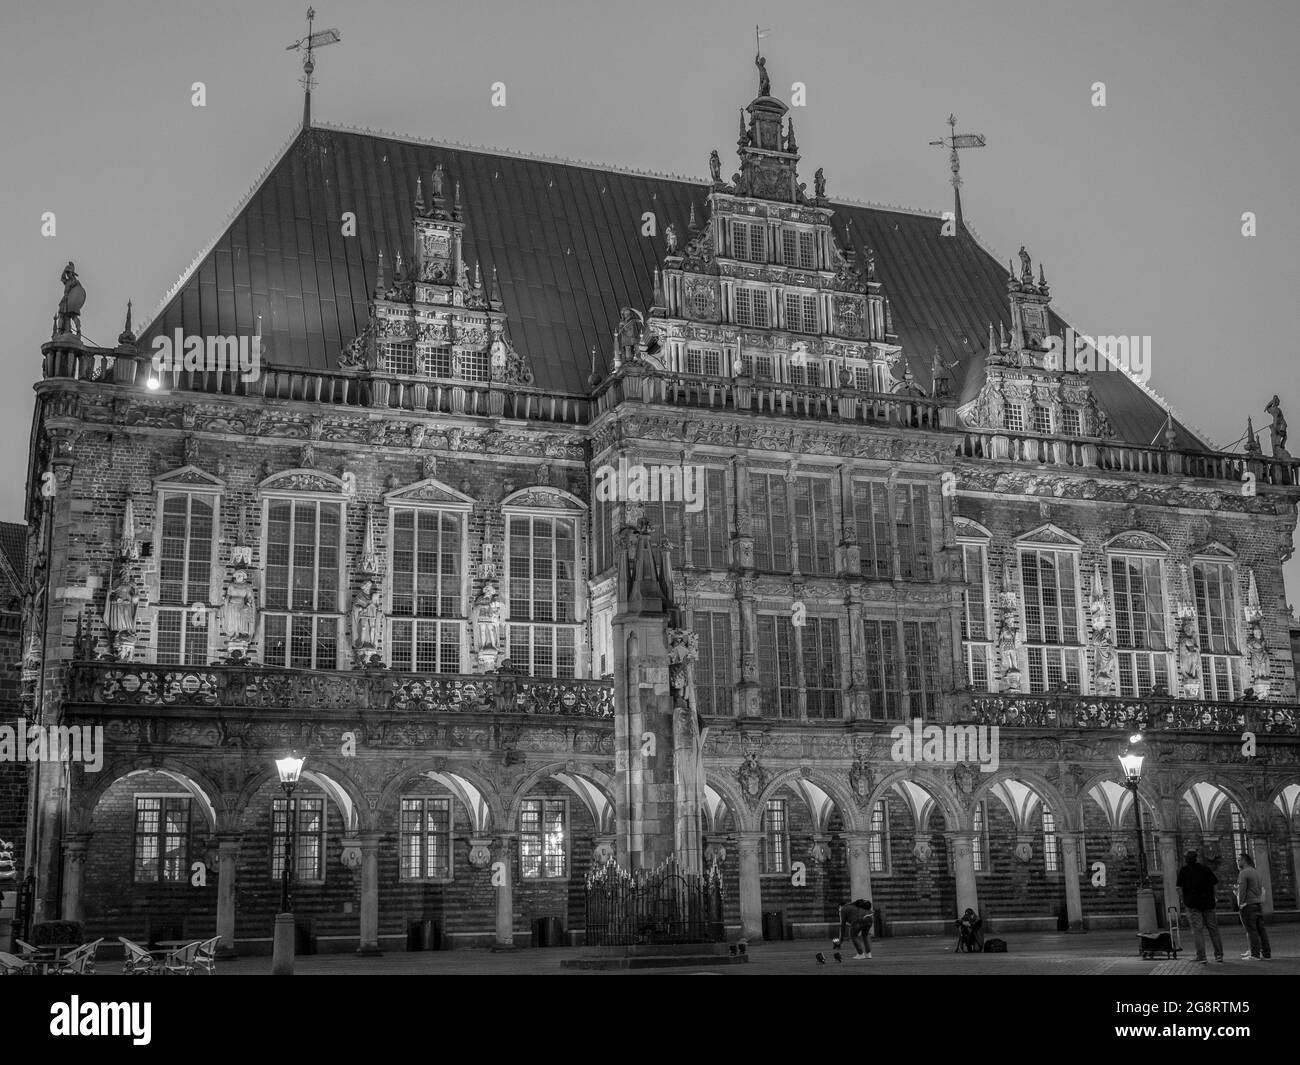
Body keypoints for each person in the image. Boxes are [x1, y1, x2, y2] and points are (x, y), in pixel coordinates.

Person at [1175, 851, 1223, 963]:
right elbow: (1214, 884)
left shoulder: (1183, 871)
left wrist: (1184, 900)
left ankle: (1202, 957)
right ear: (1197, 859)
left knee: (1198, 931)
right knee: (1213, 929)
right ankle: (1219, 955)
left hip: (1192, 905)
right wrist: (1215, 897)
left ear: (1186, 859)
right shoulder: (1205, 869)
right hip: (1208, 903)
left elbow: (1179, 888)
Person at [1234, 851, 1271, 960]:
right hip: (1257, 903)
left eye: (1239, 860)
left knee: (1251, 930)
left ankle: (1254, 954)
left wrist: (1240, 903)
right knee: (1261, 930)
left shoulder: (1243, 873)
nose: (1237, 862)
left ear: (1244, 861)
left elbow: (1242, 890)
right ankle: (1266, 953)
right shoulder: (1256, 872)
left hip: (1248, 905)